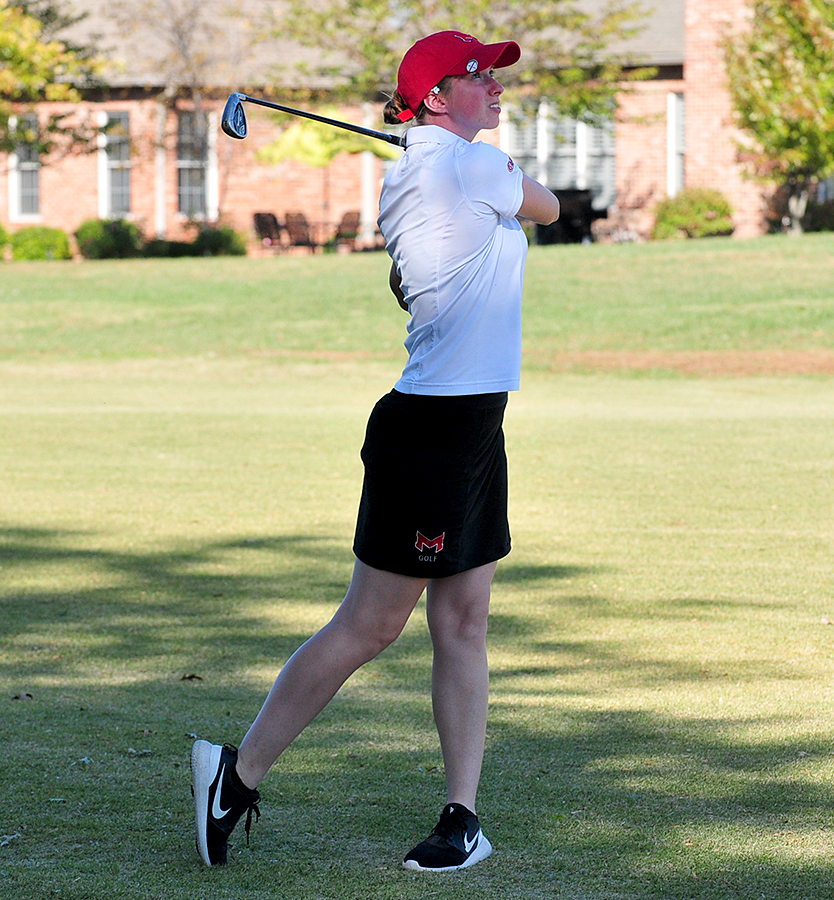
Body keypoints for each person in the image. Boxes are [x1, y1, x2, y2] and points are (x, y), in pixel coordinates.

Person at [191, 29, 559, 874]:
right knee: (370, 624)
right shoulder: (467, 168)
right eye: (477, 78)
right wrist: (472, 161)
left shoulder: (426, 168)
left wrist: (445, 147)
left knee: (464, 620)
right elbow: (548, 207)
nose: (497, 88)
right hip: (432, 431)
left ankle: (462, 817)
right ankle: (236, 779)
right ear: (433, 97)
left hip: (471, 425)